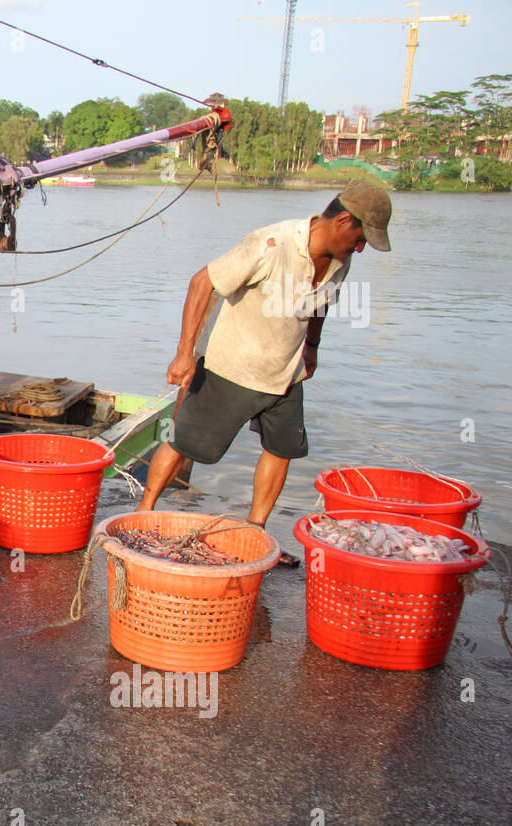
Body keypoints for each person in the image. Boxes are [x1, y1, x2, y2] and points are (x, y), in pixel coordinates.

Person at [136, 182, 392, 566]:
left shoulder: (341, 261)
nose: (359, 249)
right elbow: (202, 282)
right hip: (232, 365)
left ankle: (255, 529)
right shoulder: (271, 243)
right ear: (342, 221)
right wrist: (184, 353)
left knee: (282, 449)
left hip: (287, 372)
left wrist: (312, 348)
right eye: (359, 238)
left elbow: (321, 306)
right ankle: (143, 515)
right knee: (184, 442)